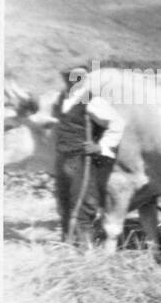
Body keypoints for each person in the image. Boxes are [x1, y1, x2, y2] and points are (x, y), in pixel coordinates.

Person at [52, 64, 125, 244]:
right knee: (64, 201)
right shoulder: (61, 99)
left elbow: (117, 123)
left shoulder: (91, 100)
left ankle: (86, 250)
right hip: (62, 158)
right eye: (68, 76)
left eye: (78, 77)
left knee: (83, 202)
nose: (73, 80)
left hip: (81, 159)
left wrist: (101, 147)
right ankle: (67, 244)